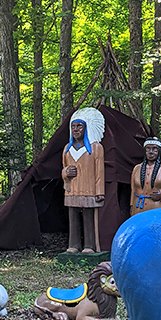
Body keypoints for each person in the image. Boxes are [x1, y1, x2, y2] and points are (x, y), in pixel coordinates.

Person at [61, 108, 105, 253]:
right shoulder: (67, 149)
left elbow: (99, 171)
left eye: (79, 126)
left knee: (88, 218)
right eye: (73, 127)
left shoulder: (96, 148)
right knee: (73, 217)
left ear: (86, 128)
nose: (76, 129)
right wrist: (66, 173)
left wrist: (100, 192)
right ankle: (73, 245)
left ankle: (89, 245)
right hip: (72, 189)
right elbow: (63, 168)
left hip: (89, 189)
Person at [130, 138, 161, 215]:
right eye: (148, 149)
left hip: (159, 208)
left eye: (154, 149)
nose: (151, 152)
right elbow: (133, 189)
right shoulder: (137, 168)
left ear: (159, 151)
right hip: (138, 208)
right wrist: (132, 205)